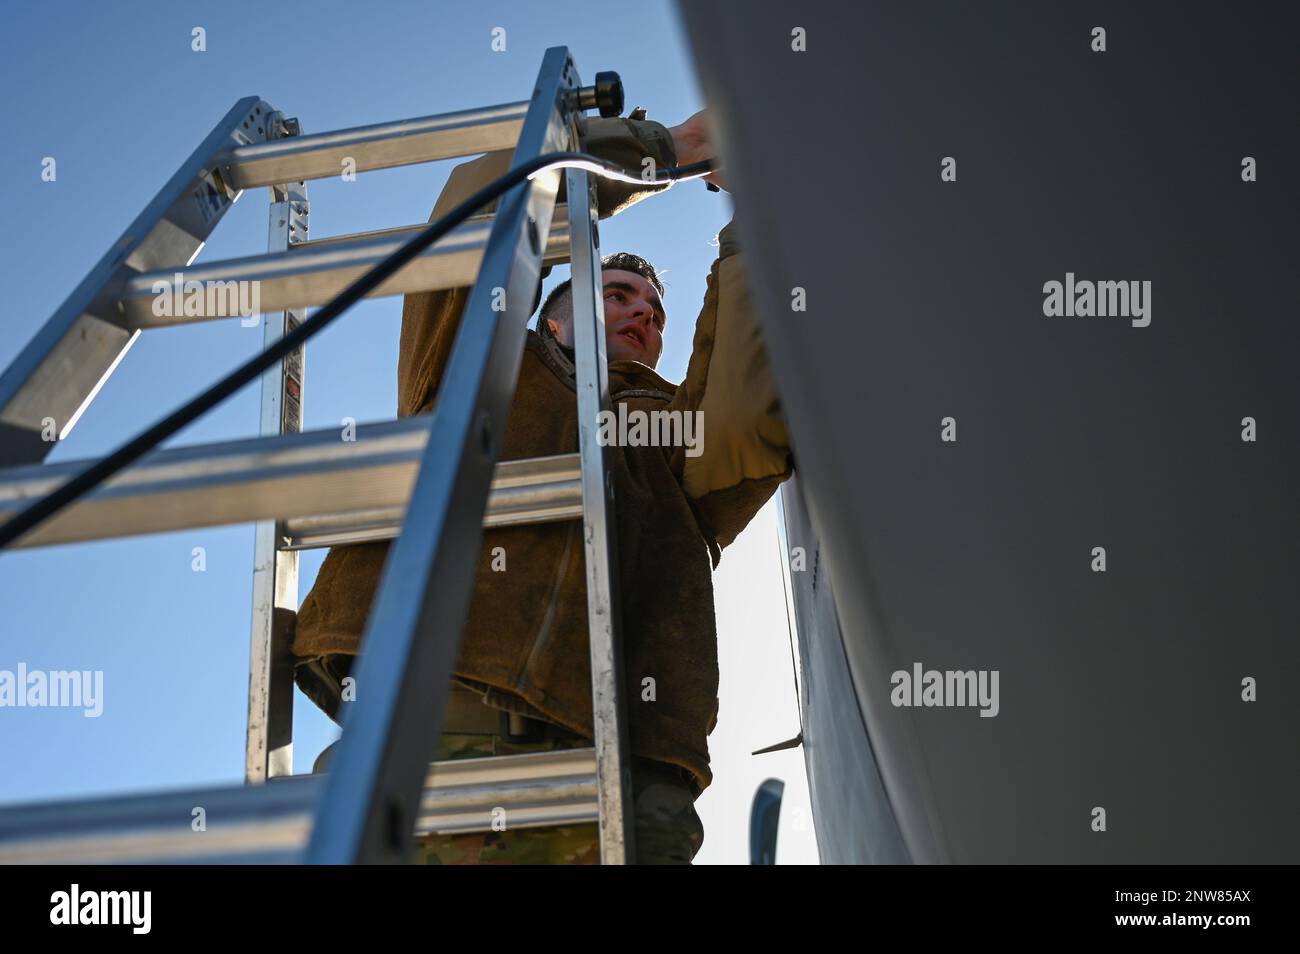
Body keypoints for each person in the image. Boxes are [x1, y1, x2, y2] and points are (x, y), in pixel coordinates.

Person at [293, 106, 792, 863]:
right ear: (556, 316)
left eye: (655, 311)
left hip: (614, 776)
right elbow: (482, 199)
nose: (643, 314)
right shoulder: (471, 372)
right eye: (618, 292)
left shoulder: (660, 433)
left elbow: (746, 420)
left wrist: (750, 225)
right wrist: (669, 152)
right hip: (427, 742)